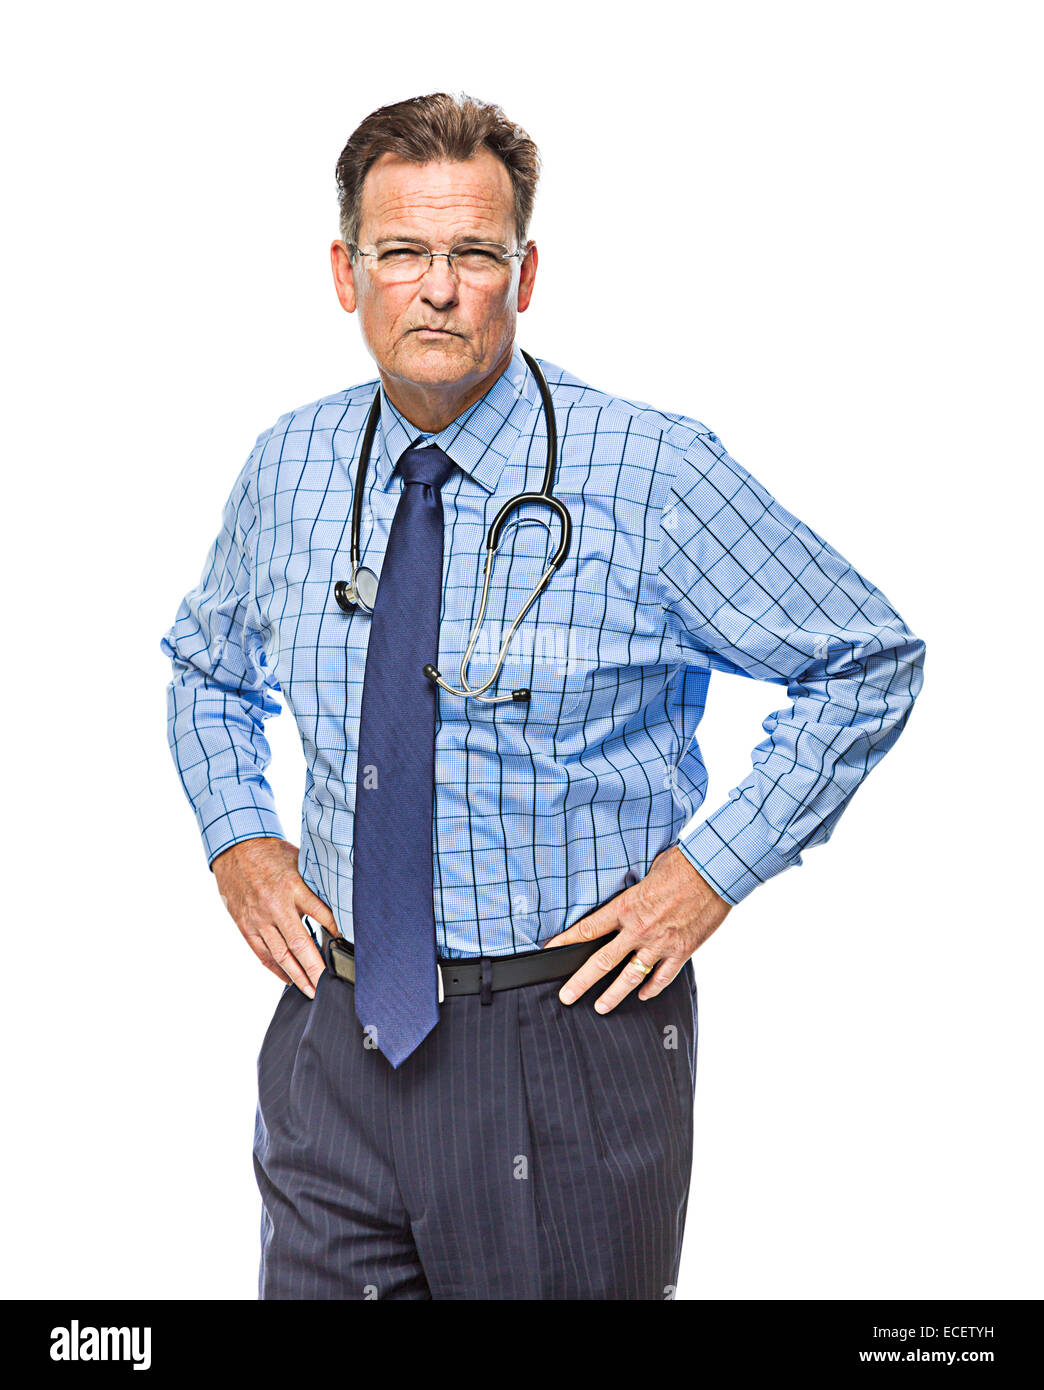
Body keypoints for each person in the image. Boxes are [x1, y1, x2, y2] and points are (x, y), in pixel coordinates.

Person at [160, 91, 926, 1301]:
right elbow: (205, 668)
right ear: (344, 272)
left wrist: (709, 871)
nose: (437, 287)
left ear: (527, 271)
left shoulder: (650, 471)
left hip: (563, 1038)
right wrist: (237, 839)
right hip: (336, 1040)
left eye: (474, 253)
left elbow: (867, 657)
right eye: (401, 252)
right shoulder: (291, 465)